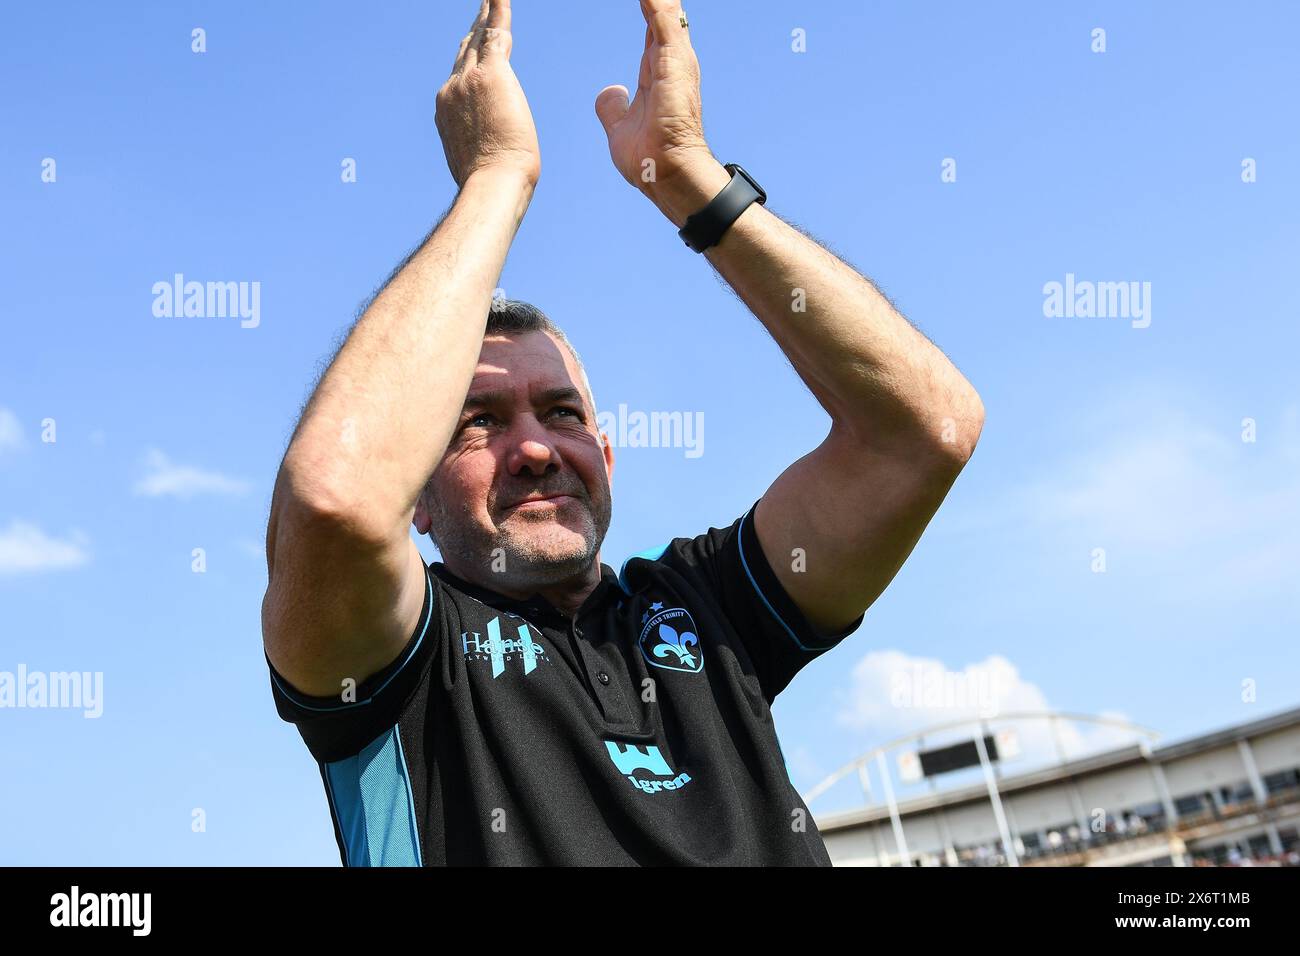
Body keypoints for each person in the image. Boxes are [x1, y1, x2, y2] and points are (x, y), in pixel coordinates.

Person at [262, 0, 984, 865]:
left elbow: (924, 432)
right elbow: (335, 499)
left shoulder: (705, 608)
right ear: (414, 495)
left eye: (562, 412)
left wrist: (688, 178)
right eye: (477, 424)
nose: (534, 448)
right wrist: (496, 176)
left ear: (606, 455)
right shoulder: (400, 660)